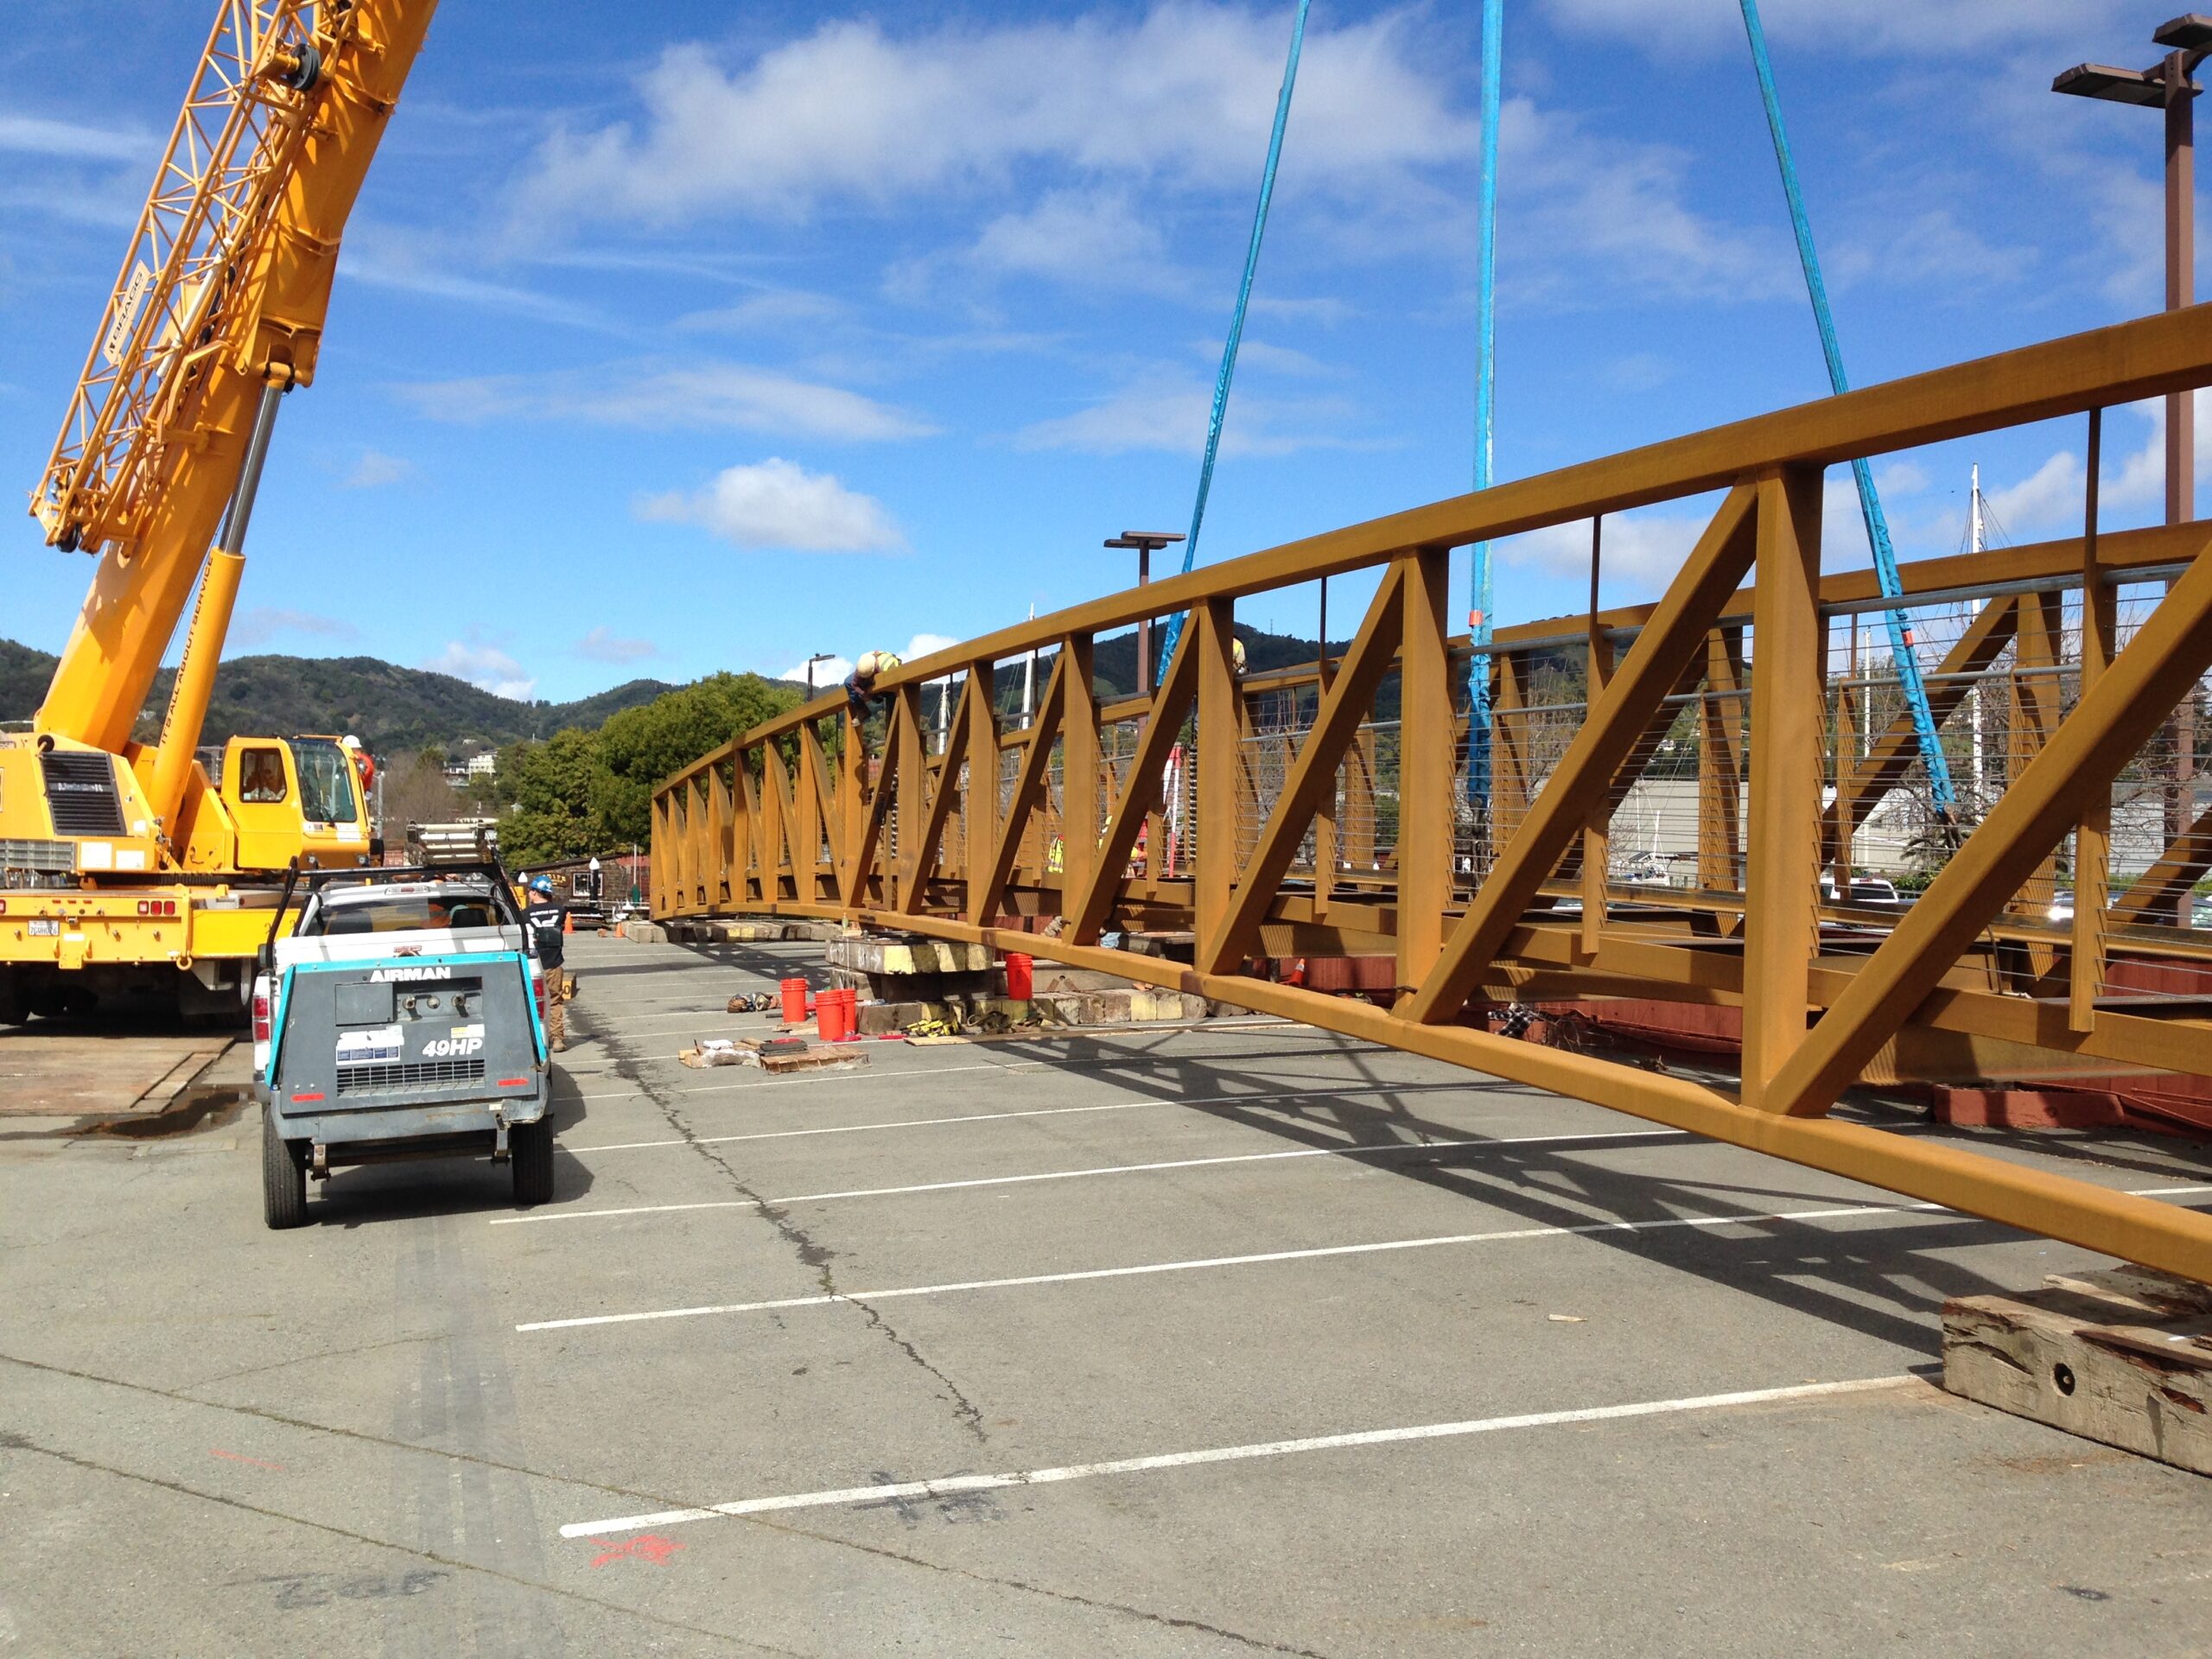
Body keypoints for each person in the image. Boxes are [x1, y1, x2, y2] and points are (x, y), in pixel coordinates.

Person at [522, 875, 569, 1051]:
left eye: (530, 891)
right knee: (555, 1001)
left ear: (535, 891)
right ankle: (557, 1039)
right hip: (554, 961)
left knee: (534, 1002)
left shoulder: (525, 913)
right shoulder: (560, 910)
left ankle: (537, 1039)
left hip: (533, 963)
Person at [842, 649, 902, 720]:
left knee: (891, 694)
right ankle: (862, 710)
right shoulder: (863, 664)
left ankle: (893, 717)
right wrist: (864, 694)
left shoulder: (886, 669)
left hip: (889, 679)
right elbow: (854, 684)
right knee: (848, 682)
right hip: (873, 670)